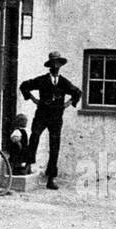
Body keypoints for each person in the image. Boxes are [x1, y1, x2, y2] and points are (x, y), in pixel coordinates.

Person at [20, 52, 82, 189]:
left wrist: (67, 103)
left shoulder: (64, 82)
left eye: (58, 64)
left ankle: (51, 178)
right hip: (42, 114)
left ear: (60, 66)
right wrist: (33, 99)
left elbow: (77, 92)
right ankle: (28, 165)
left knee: (54, 146)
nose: (55, 66)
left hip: (56, 117)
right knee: (34, 136)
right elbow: (24, 85)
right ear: (49, 66)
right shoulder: (42, 80)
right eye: (53, 64)